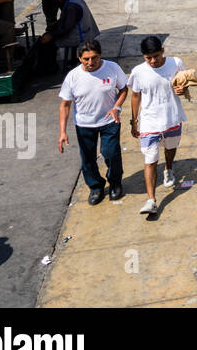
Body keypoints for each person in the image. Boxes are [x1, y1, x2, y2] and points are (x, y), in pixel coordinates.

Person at [58, 39, 129, 205]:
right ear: (79, 58)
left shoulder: (112, 68)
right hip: (84, 124)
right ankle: (96, 187)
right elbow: (65, 105)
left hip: (109, 121)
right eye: (86, 59)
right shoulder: (73, 77)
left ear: (101, 55)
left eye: (94, 58)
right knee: (88, 158)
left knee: (111, 153)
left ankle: (115, 183)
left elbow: (124, 89)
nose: (91, 62)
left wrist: (116, 107)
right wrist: (62, 132)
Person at [128, 36, 189, 217]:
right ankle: (151, 200)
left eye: (156, 56)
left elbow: (185, 85)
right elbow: (135, 96)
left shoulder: (176, 63)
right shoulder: (138, 72)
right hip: (149, 122)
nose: (153, 61)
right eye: (148, 58)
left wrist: (183, 90)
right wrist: (134, 121)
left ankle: (168, 169)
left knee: (170, 149)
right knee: (150, 159)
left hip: (172, 117)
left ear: (163, 50)